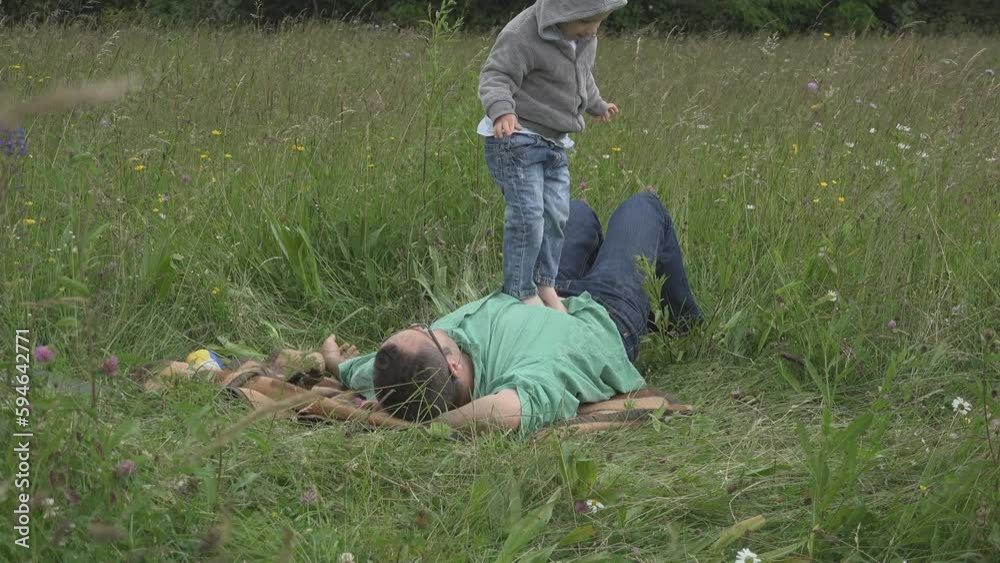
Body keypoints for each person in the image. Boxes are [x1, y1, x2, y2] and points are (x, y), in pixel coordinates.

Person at [322, 191, 702, 435]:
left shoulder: (400, 372)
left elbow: (361, 368)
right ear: (452, 366)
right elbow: (509, 410)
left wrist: (335, 362)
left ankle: (595, 264)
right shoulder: (522, 383)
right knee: (642, 207)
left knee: (575, 212)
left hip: (545, 291)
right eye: (427, 332)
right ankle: (685, 326)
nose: (430, 326)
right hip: (604, 313)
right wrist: (438, 425)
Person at [478, 0, 626, 313]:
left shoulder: (582, 38)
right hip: (518, 140)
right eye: (585, 21)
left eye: (598, 20)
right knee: (528, 218)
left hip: (555, 143)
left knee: (557, 216)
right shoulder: (522, 34)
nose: (592, 28)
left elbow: (581, 75)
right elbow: (496, 75)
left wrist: (597, 104)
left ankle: (545, 282)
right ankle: (520, 290)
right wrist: (502, 110)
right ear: (561, 12)